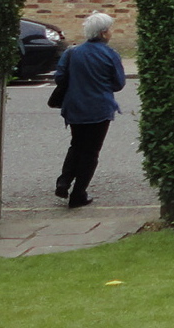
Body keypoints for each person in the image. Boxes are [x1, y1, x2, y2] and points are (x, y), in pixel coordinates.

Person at [53, 11, 126, 208]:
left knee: (76, 144)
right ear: (103, 33)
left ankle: (63, 181)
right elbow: (118, 84)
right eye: (109, 29)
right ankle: (78, 195)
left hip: (75, 107)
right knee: (91, 152)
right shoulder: (111, 55)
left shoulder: (72, 52)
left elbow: (59, 78)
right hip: (99, 109)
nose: (111, 32)